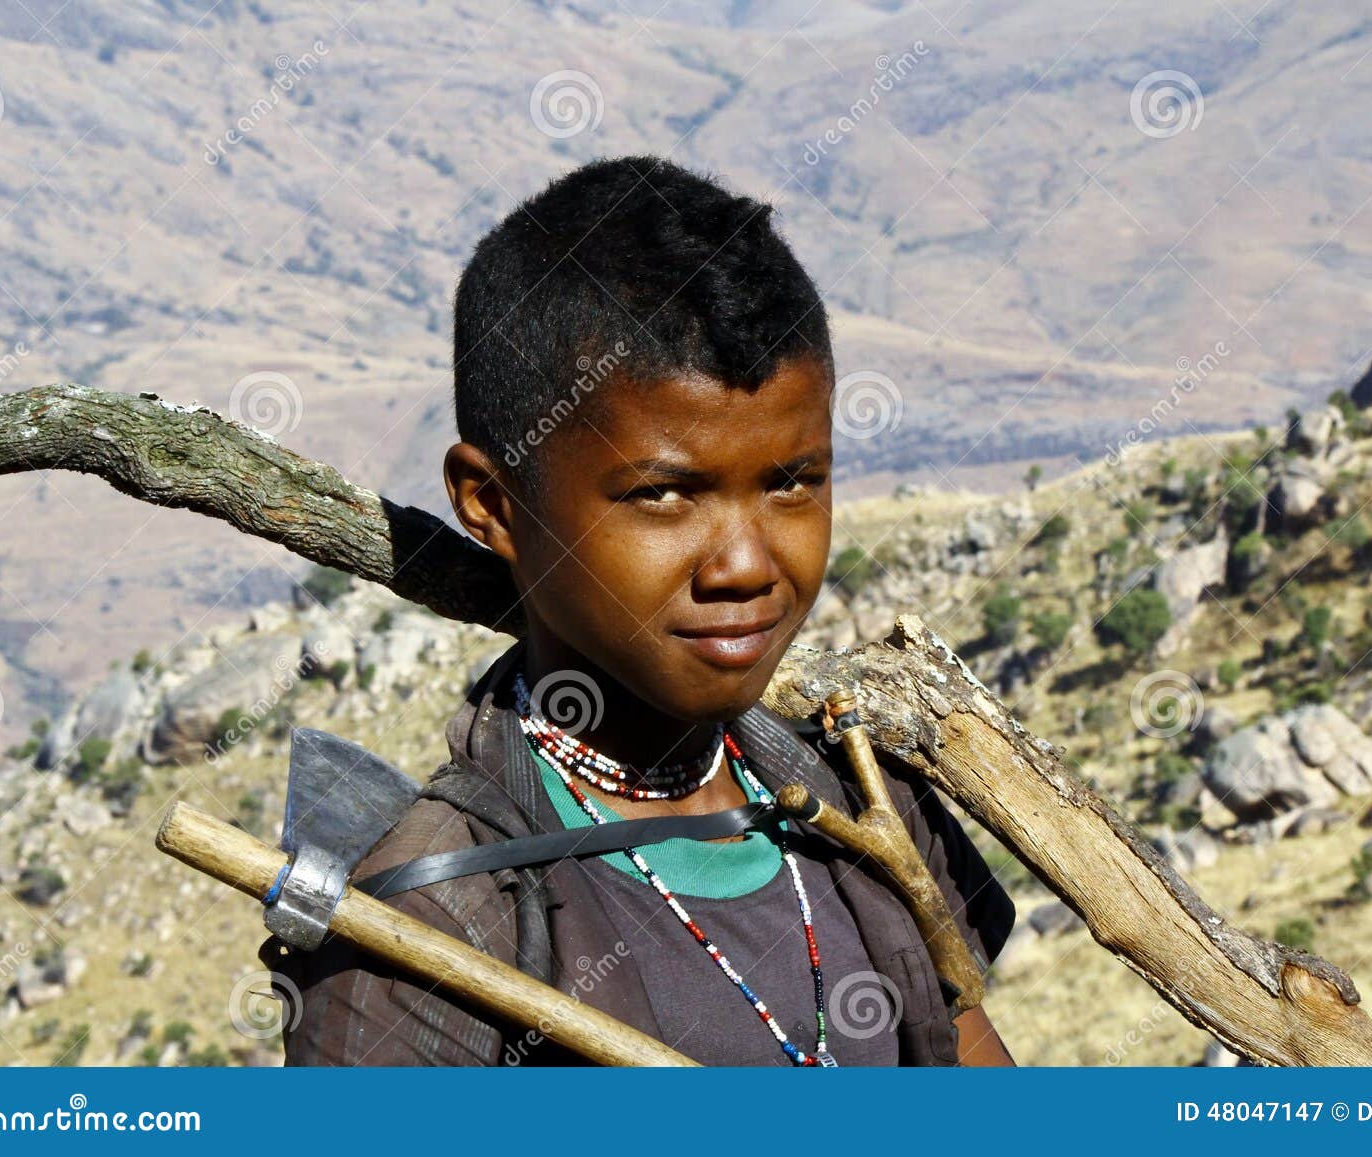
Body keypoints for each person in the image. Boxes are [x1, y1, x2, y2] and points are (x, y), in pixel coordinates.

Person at [269, 153, 1018, 1067]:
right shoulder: (427, 931)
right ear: (494, 505)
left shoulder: (864, 802)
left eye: (791, 482)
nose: (746, 564)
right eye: (664, 496)